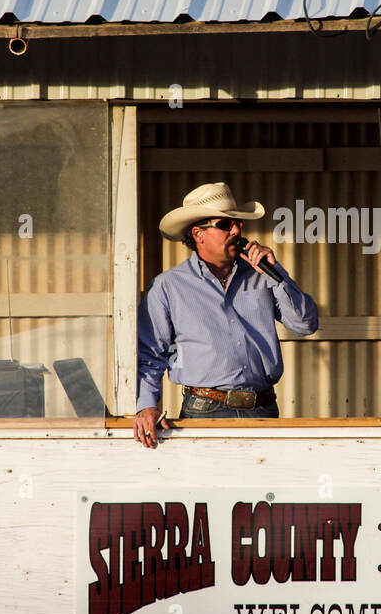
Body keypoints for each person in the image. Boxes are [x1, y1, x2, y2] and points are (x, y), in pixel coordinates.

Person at [134, 182, 319, 448]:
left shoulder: (262, 275)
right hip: (204, 410)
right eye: (225, 225)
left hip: (263, 409)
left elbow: (305, 324)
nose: (236, 230)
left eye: (238, 225)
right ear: (198, 234)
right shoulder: (169, 286)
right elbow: (150, 354)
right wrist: (147, 406)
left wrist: (278, 275)